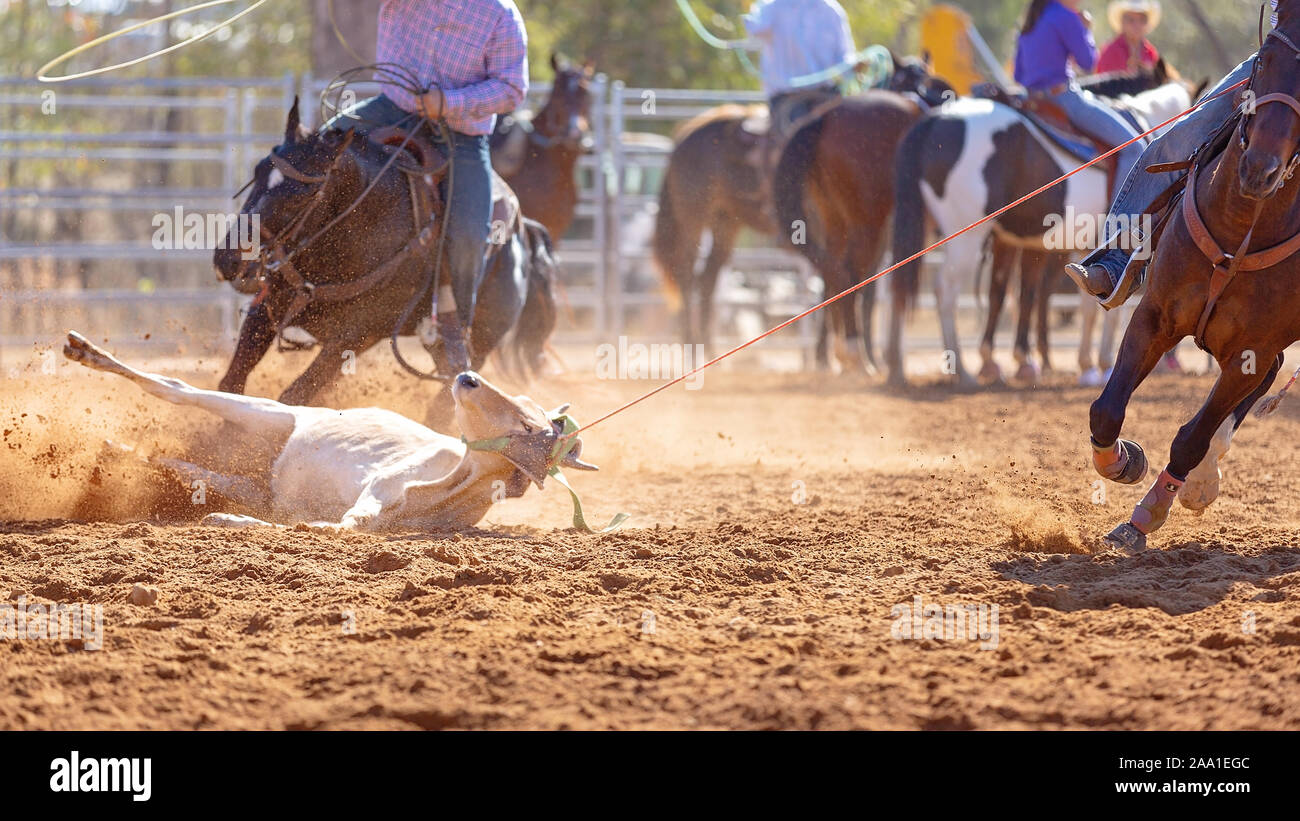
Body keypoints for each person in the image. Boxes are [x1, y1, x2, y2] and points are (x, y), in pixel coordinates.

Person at [324, 0, 529, 373]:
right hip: (393, 107)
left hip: (463, 134)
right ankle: (280, 267)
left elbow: (512, 89)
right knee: (317, 153)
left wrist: (450, 102)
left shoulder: (499, 13)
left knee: (468, 232)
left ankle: (453, 323)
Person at [1066, 2, 1277, 308]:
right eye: (1130, 19)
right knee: (1175, 137)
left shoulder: (1151, 54)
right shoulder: (1114, 52)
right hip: (1276, 50)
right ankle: (1115, 261)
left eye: (1140, 19)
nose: (1135, 24)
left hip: (1280, 55)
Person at [1014, 0, 1144, 212]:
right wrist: (1085, 30)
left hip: (1030, 100)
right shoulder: (1066, 16)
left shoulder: (1030, 20)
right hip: (1063, 98)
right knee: (1134, 147)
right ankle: (1117, 223)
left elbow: (1017, 74)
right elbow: (1088, 61)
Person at [743, 0, 858, 131]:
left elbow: (844, 54)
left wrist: (853, 66)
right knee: (801, 136)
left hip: (826, 94)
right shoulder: (772, 8)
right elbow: (755, 32)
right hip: (787, 97)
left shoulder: (831, 10)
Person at [1096, 0, 1161, 75]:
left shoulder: (1151, 53)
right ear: (1122, 22)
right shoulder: (1110, 52)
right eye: (1131, 20)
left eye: (1142, 20)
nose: (1137, 25)